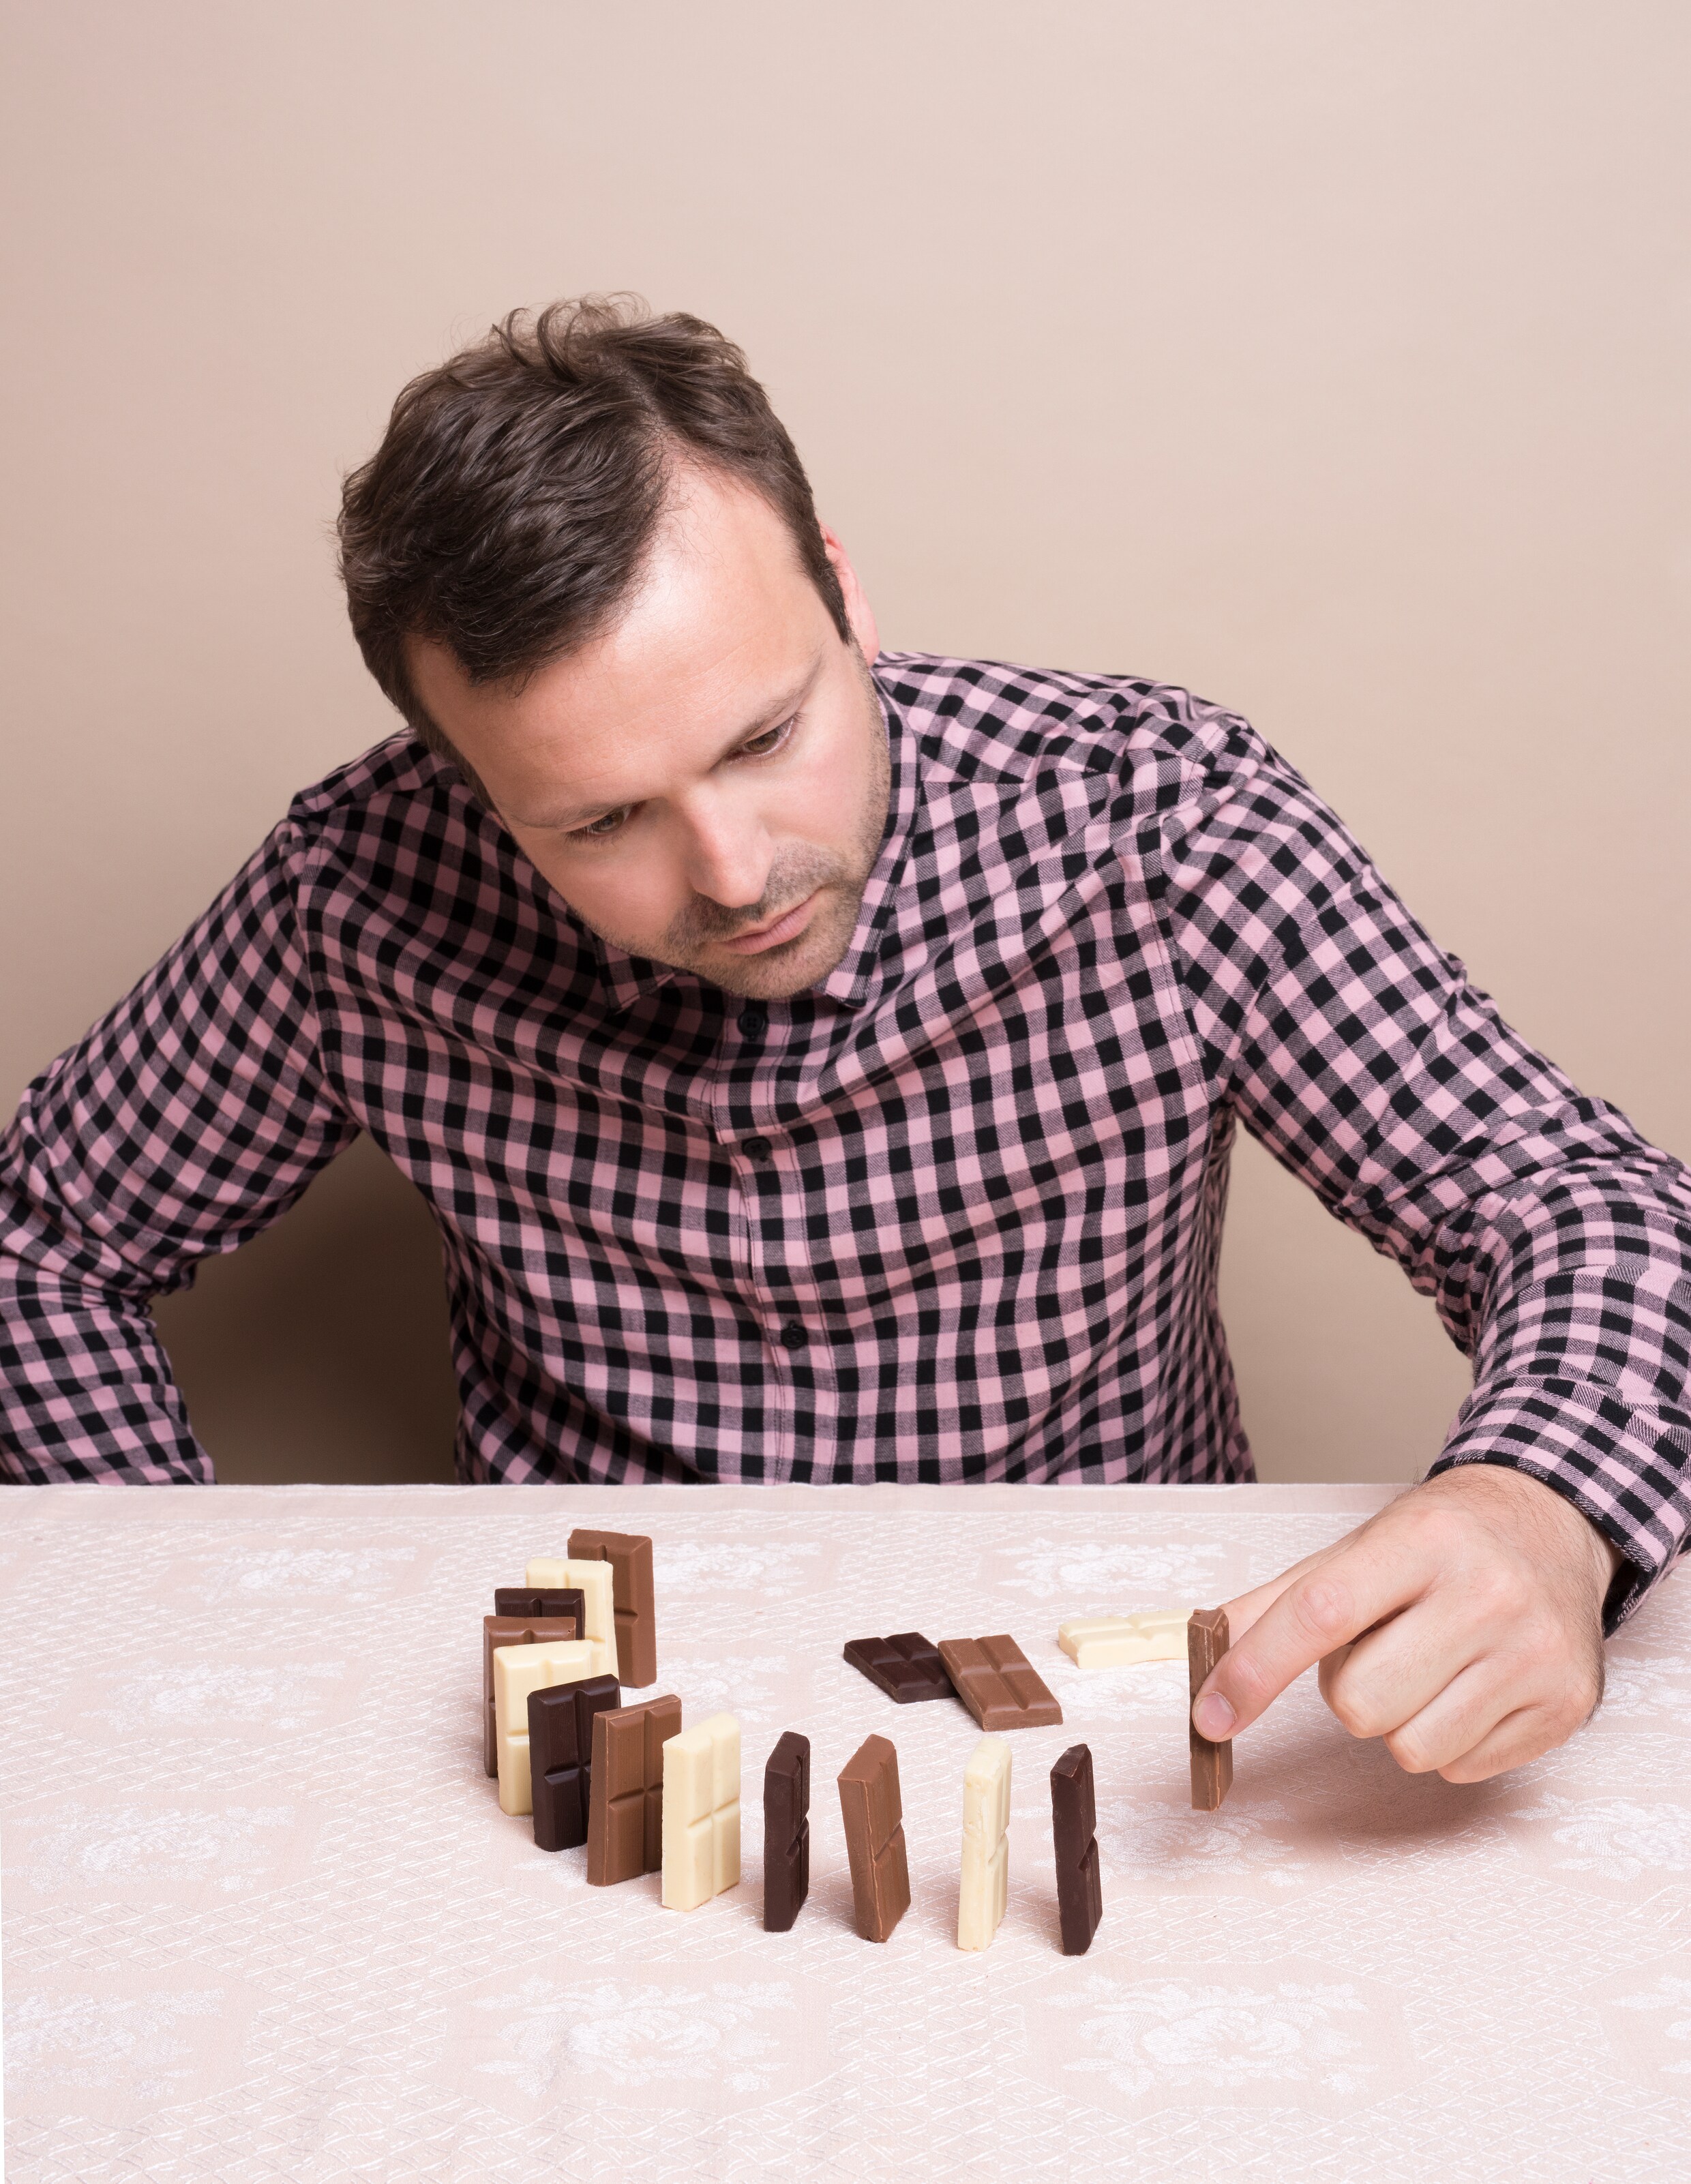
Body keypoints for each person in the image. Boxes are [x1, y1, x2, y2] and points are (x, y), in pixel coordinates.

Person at [3, 299, 1687, 1784]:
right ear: (470, 791)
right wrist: (198, 1595)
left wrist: (1543, 1505)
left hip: (1098, 1716)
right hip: (610, 1735)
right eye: (600, 822)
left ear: (844, 594)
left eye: (766, 735)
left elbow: (1568, 1192)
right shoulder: (354, 898)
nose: (733, 876)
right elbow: (37, 1247)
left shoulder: (1156, 822)